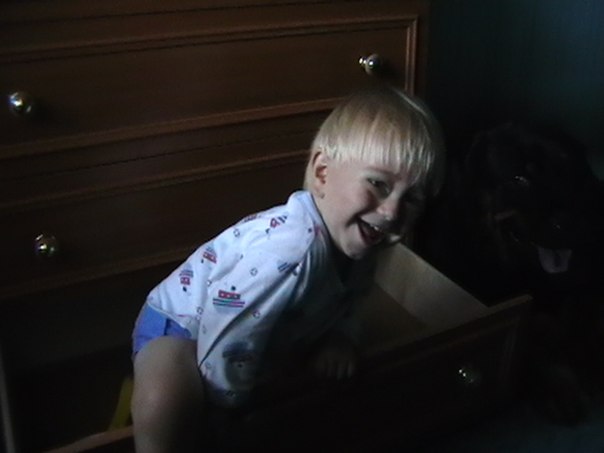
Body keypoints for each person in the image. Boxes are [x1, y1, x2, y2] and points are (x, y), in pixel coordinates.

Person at [130, 84, 445, 452]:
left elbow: (353, 301)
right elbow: (228, 329)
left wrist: (340, 338)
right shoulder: (292, 250)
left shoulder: (362, 239)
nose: (392, 212)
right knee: (165, 405)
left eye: (412, 199)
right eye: (378, 184)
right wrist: (230, 407)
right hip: (184, 326)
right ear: (322, 173)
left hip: (264, 332)